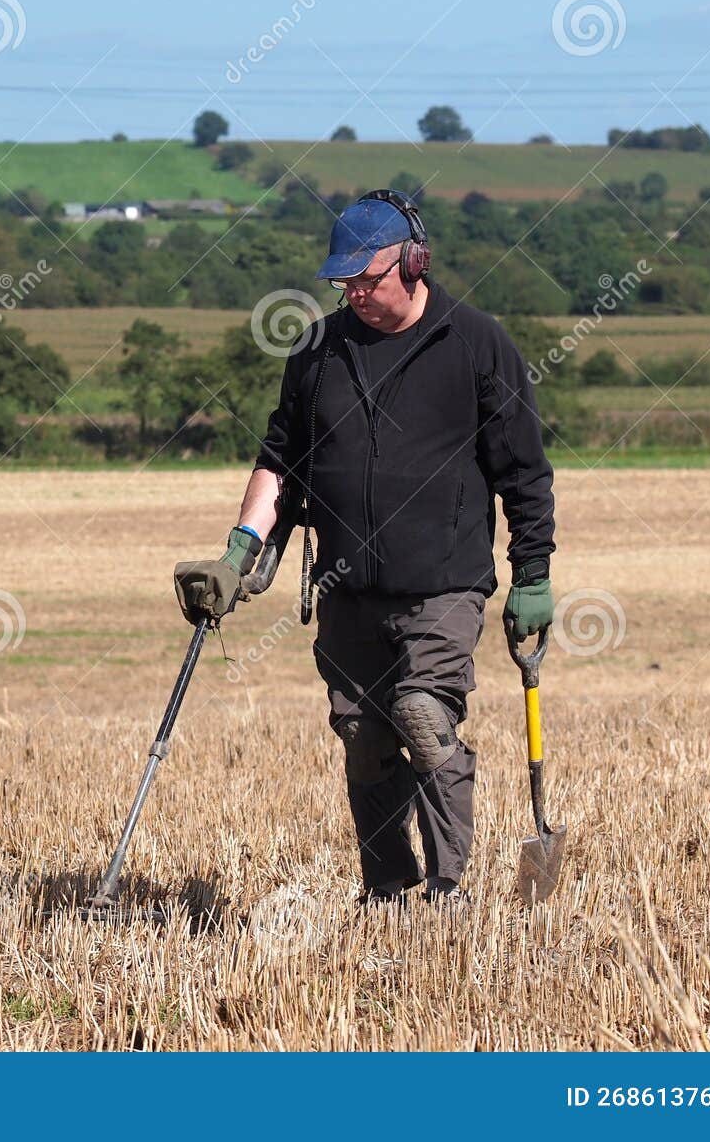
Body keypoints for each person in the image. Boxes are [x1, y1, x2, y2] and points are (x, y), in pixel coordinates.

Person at [173, 190, 556, 904]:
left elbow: (524, 471)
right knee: (363, 733)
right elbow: (280, 460)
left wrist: (531, 573)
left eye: (368, 280)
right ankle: (385, 891)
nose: (355, 295)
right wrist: (237, 553)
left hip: (441, 583)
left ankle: (449, 889)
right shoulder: (319, 348)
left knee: (421, 712)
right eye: (343, 284)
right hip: (344, 587)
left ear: (415, 264)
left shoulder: (475, 342)